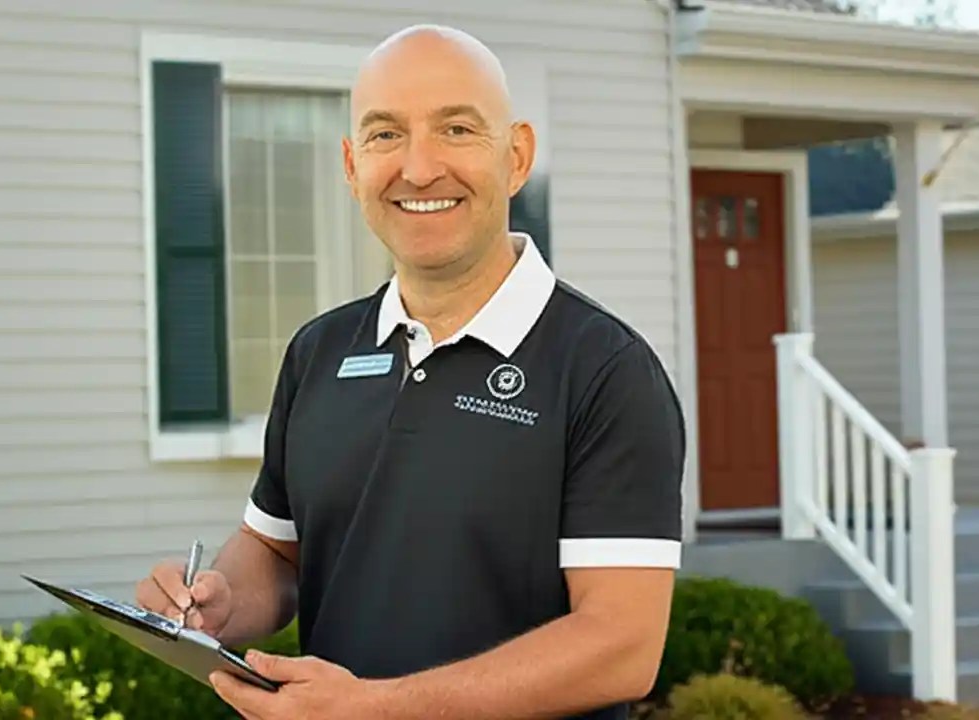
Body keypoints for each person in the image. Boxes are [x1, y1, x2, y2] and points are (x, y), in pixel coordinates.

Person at [135, 23, 685, 720]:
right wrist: (215, 601)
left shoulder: (605, 372)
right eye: (385, 134)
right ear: (350, 165)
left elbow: (621, 646)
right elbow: (276, 554)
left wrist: (378, 707)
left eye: (456, 130)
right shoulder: (319, 352)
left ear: (517, 157)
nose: (419, 169)